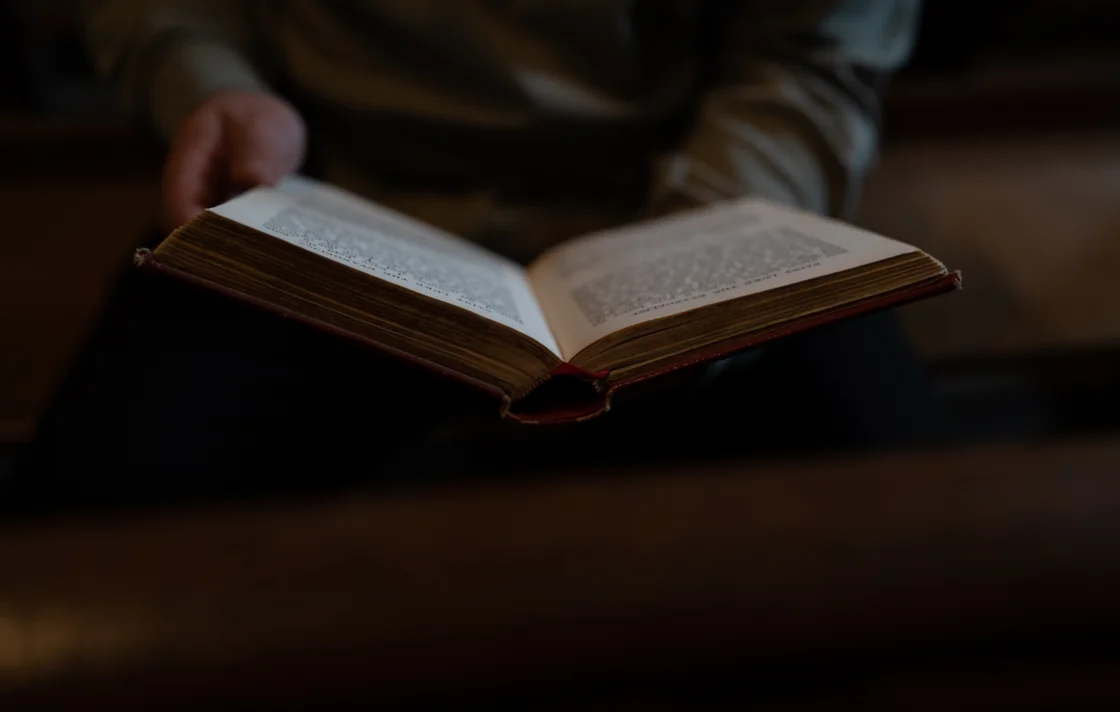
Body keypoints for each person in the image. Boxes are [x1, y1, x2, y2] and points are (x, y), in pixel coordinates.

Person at [8, 0, 951, 510]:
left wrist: (692, 256)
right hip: (320, 211)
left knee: (931, 541)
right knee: (81, 542)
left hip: (679, 211)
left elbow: (806, 55)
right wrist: (209, 85)